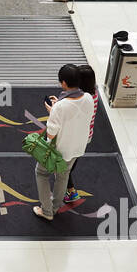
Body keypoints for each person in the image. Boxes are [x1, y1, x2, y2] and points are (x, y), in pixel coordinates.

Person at [33, 63, 96, 220]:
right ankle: (55, 207)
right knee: (63, 175)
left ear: (64, 83)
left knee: (41, 173)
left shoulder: (60, 107)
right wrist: (57, 108)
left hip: (59, 149)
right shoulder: (89, 98)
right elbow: (75, 114)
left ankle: (46, 211)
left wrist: (52, 110)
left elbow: (51, 133)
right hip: (77, 147)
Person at [63, 64, 100, 206]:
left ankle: (71, 191)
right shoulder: (94, 93)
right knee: (72, 161)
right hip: (85, 136)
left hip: (74, 136)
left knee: (66, 166)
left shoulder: (82, 99)